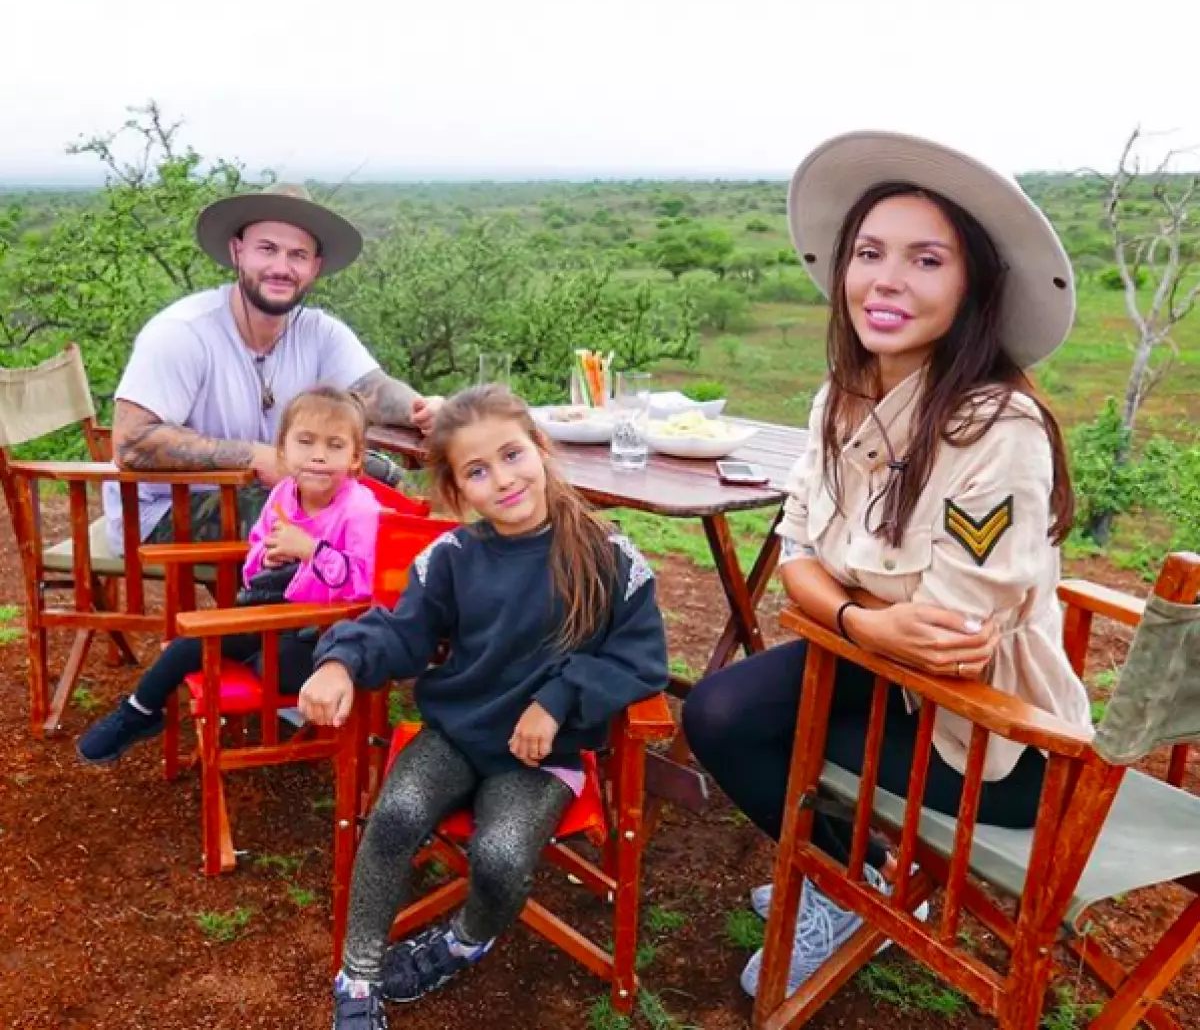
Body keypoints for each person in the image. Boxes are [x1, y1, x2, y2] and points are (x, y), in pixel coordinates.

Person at [681, 130, 1092, 998]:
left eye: (926, 259)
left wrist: (838, 599)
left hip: (987, 735)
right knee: (717, 711)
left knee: (762, 728)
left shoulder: (997, 430)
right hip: (874, 662)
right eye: (869, 252)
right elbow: (796, 551)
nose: (886, 279)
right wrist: (862, 615)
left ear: (972, 284)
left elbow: (951, 643)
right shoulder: (841, 396)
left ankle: (831, 877)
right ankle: (849, 877)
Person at [298, 384, 669, 1030]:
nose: (502, 479)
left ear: (542, 448)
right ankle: (357, 978)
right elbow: (400, 631)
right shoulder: (452, 558)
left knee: (499, 858)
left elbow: (642, 662)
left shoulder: (609, 557)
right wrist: (340, 661)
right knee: (395, 817)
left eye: (512, 455)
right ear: (457, 489)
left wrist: (558, 700)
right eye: (477, 470)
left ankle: (464, 938)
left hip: (542, 756)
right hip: (456, 734)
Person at [101, 182, 441, 555]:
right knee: (310, 513)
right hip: (164, 508)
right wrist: (257, 456)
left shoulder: (318, 331)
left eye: (297, 255)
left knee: (383, 483)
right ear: (237, 252)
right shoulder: (183, 332)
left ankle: (392, 602)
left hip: (270, 490)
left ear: (315, 267)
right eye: (267, 249)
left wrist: (423, 410)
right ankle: (300, 611)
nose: (281, 268)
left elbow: (373, 390)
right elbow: (131, 443)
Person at [79, 386, 381, 764]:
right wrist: (265, 560)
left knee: (275, 666)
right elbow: (255, 549)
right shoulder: (284, 493)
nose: (318, 455)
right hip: (268, 612)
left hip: (323, 632)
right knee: (187, 645)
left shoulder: (359, 510)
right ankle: (138, 712)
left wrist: (310, 551)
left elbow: (365, 584)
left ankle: (265, 668)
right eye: (306, 442)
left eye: (335, 445)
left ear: (355, 459)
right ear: (284, 452)